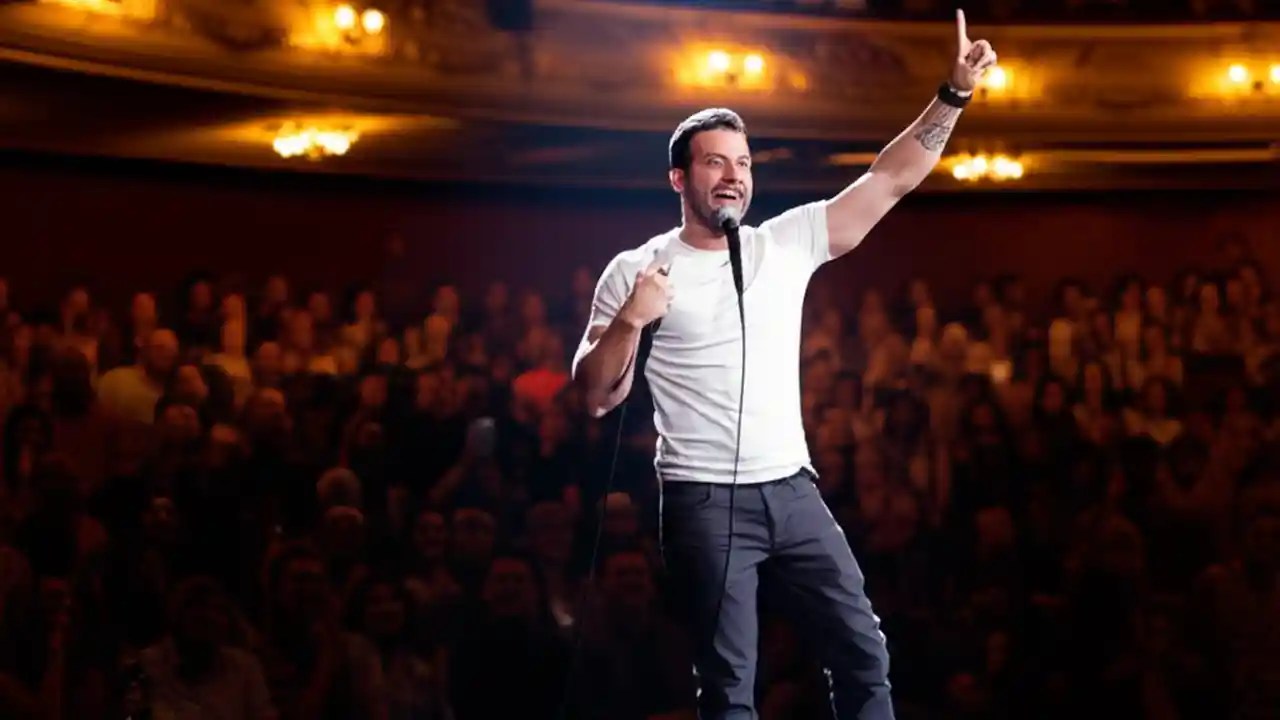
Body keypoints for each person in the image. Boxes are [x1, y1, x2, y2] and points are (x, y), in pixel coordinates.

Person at [571, 10, 998, 720]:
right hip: (703, 500)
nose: (734, 176)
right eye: (716, 162)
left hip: (793, 490)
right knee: (732, 685)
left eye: (742, 163)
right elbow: (592, 397)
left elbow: (889, 180)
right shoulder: (636, 269)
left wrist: (952, 95)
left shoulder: (785, 243)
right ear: (679, 176)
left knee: (864, 653)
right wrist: (630, 319)